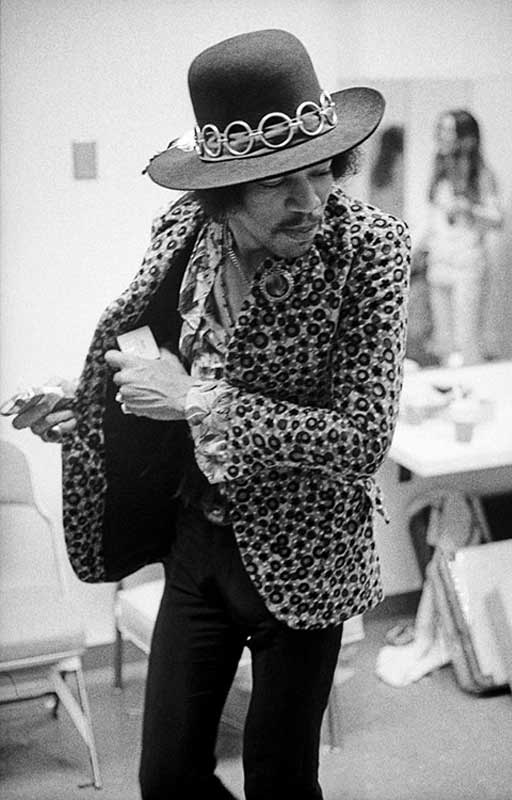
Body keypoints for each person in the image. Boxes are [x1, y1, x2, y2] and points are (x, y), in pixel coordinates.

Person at [7, 30, 410, 800]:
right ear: (224, 189)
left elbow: (362, 437)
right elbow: (155, 360)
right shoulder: (182, 233)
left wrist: (193, 399)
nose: (311, 201)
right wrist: (86, 407)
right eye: (277, 184)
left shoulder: (371, 250)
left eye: (321, 171)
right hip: (196, 543)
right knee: (165, 778)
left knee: (280, 782)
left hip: (307, 555)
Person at [418, 109, 503, 366]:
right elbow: (435, 219)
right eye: (440, 129)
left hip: (466, 264)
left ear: (465, 137)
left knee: (466, 339)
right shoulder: (440, 170)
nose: (441, 136)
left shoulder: (481, 174)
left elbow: (498, 219)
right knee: (443, 340)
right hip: (439, 261)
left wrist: (469, 208)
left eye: (448, 130)